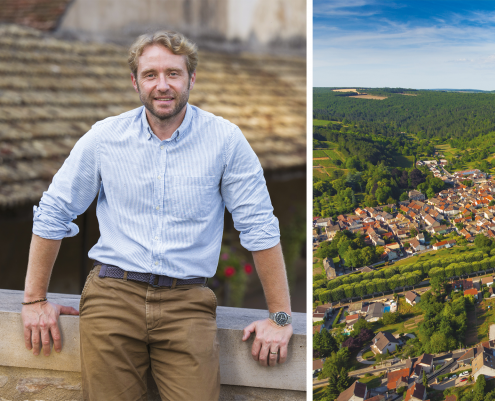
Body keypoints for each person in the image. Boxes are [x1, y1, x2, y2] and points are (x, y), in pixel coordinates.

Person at [20, 31, 293, 400]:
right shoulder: (104, 138)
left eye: (173, 74)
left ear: (191, 79)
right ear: (135, 82)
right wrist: (34, 300)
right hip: (113, 296)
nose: (162, 85)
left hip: (187, 305)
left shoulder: (226, 141)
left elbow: (259, 227)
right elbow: (54, 211)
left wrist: (280, 318)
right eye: (150, 75)